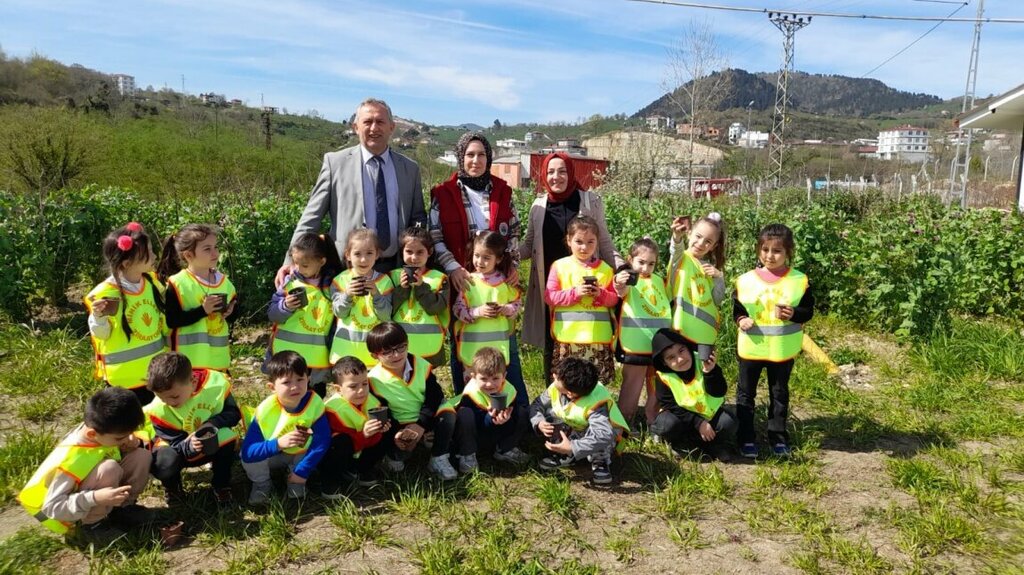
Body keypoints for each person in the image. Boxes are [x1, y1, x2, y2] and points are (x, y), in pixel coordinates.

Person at [276, 98, 425, 285]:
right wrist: (291, 261)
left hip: (396, 271)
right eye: (367, 122)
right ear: (356, 127)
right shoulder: (335, 163)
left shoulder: (410, 168)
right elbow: (311, 217)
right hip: (346, 271)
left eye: (380, 122)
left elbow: (418, 218)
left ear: (391, 127)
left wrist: (418, 259)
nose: (374, 128)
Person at [429, 132, 525, 393]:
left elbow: (514, 231)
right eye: (469, 155)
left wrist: (512, 265)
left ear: (489, 158)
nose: (476, 160)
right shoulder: (443, 193)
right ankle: (467, 401)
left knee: (505, 344)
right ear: (460, 158)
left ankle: (512, 403)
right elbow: (435, 236)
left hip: (496, 280)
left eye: (481, 154)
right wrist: (453, 267)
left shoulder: (502, 191)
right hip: (463, 281)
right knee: (463, 341)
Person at [520, 152, 624, 382]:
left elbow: (604, 243)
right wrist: (502, 257)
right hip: (553, 284)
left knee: (585, 342)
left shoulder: (590, 201)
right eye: (550, 172)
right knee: (553, 343)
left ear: (571, 173)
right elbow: (528, 245)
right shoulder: (538, 206)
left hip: (586, 284)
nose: (556, 176)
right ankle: (553, 395)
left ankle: (588, 395)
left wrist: (624, 266)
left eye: (562, 171)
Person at [18, 387, 153, 547]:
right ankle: (93, 526)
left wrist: (129, 441)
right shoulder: (70, 460)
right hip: (69, 514)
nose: (126, 439)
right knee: (109, 469)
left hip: (95, 490)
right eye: (120, 438)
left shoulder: (102, 429)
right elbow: (52, 508)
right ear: (91, 434)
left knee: (141, 456)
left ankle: (123, 509)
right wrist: (95, 498)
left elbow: (112, 446)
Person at [734, 224, 815, 459]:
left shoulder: (799, 280)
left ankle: (778, 437)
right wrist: (741, 320)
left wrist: (795, 313)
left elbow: (808, 311)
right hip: (751, 349)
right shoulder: (746, 281)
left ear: (788, 252)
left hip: (781, 350)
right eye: (765, 249)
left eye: (777, 251)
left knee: (779, 394)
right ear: (758, 250)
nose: (770, 255)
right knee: (745, 394)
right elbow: (737, 309)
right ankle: (746, 438)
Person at [85, 222, 167, 405]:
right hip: (124, 380)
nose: (154, 256)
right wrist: (98, 317)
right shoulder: (106, 293)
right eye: (148, 252)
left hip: (156, 374)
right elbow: (101, 334)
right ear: (127, 263)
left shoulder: (153, 284)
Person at [144, 351, 241, 505]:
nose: (169, 403)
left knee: (227, 439)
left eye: (174, 397)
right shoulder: (157, 409)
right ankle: (173, 488)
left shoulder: (215, 384)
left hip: (210, 440)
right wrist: (189, 446)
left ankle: (221, 485)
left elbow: (233, 413)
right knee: (164, 463)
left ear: (193, 381)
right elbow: (173, 442)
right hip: (178, 447)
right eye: (161, 398)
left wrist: (212, 424)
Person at [240, 351, 330, 504]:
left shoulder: (314, 403)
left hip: (298, 454)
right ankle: (262, 483)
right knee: (246, 458)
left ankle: (295, 478)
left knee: (313, 446)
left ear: (308, 380)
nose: (295, 386)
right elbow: (248, 453)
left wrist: (302, 471)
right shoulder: (265, 411)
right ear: (272, 387)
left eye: (300, 379)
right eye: (286, 382)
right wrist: (278, 444)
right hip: (271, 456)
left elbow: (322, 440)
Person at [364, 322, 448, 479]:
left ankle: (439, 456)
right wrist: (397, 434)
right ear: (375, 355)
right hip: (399, 426)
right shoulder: (373, 380)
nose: (396, 355)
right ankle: (394, 455)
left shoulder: (421, 365)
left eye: (401, 347)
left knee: (447, 412)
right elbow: (384, 413)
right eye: (387, 352)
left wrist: (422, 425)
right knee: (400, 457)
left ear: (407, 343)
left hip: (424, 419)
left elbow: (435, 396)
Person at [530, 358, 629, 485]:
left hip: (606, 435)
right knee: (551, 414)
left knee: (597, 433)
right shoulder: (557, 388)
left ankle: (600, 461)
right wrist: (539, 422)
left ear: (570, 394)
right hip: (577, 427)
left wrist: (573, 447)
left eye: (557, 378)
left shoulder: (595, 403)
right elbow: (537, 404)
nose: (554, 376)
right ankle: (566, 454)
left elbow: (604, 434)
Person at [544, 215, 619, 383]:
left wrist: (600, 294)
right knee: (567, 383)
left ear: (597, 242)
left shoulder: (606, 269)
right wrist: (575, 293)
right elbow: (550, 297)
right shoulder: (559, 266)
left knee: (596, 384)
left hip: (597, 340)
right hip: (568, 339)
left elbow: (614, 300)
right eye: (579, 242)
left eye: (590, 242)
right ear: (569, 240)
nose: (584, 247)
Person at [434, 347, 530, 475]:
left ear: (504, 376)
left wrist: (506, 418)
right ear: (473, 377)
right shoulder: (470, 395)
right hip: (476, 435)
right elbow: (477, 424)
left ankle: (505, 448)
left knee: (522, 412)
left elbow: (513, 415)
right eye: (484, 379)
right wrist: (491, 419)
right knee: (465, 414)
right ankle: (467, 455)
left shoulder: (509, 390)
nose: (489, 384)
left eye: (495, 378)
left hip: (497, 432)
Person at [267, 233, 343, 395]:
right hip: (287, 358)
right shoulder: (289, 282)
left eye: (305, 265)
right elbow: (272, 314)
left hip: (316, 363)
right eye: (295, 263)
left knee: (314, 399)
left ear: (322, 261)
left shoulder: (333, 286)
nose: (298, 268)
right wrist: (285, 306)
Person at [452, 231, 523, 401]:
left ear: (498, 259)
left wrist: (506, 309)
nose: (479, 261)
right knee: (473, 392)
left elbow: (517, 304)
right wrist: (477, 312)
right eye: (476, 256)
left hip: (498, 352)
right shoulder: (469, 281)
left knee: (496, 388)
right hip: (472, 352)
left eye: (486, 258)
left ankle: (497, 415)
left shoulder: (505, 282)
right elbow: (457, 309)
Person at [157, 224, 237, 373]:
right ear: (188, 255)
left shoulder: (223, 281)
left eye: (216, 247)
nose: (215, 252)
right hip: (187, 366)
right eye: (207, 249)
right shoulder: (178, 283)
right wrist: (202, 311)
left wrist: (231, 309)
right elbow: (172, 321)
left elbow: (235, 308)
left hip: (218, 362)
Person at [649, 328, 736, 459]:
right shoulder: (663, 377)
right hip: (681, 418)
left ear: (688, 348)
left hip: (707, 415)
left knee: (729, 422)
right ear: (664, 363)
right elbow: (670, 405)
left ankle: (711, 444)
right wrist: (698, 423)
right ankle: (677, 443)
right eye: (671, 357)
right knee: (668, 425)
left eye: (681, 351)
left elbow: (719, 392)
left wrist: (710, 372)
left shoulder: (703, 362)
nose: (680, 359)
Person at [613, 237, 671, 426]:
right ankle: (623, 425)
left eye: (651, 264)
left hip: (658, 345)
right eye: (641, 262)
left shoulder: (659, 281)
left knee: (657, 386)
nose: (645, 268)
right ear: (630, 259)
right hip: (635, 345)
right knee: (632, 386)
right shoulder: (629, 280)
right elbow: (620, 290)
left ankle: (653, 422)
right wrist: (619, 281)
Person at [320, 357, 391, 498]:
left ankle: (363, 470)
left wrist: (380, 430)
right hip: (337, 454)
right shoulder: (332, 410)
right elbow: (332, 444)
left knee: (387, 432)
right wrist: (364, 434)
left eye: (365, 384)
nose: (361, 390)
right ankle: (330, 482)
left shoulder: (373, 401)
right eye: (353, 387)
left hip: (360, 449)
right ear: (338, 389)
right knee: (339, 442)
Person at [329, 229, 394, 367]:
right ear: (348, 255)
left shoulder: (384, 281)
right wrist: (347, 294)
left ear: (377, 254)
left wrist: (376, 294)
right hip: (346, 351)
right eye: (357, 254)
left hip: (375, 351)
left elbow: (386, 316)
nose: (363, 259)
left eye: (369, 253)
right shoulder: (340, 280)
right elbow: (339, 313)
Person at [389, 225, 449, 367]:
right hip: (398, 347)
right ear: (402, 252)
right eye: (409, 252)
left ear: (430, 252)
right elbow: (387, 310)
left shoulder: (439, 278)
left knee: (430, 380)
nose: (414, 257)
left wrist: (421, 287)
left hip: (430, 347)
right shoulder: (392, 277)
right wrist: (402, 289)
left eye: (420, 252)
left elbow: (436, 308)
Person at [668, 213, 726, 356]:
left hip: (705, 335)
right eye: (698, 236)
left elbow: (717, 299)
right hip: (681, 332)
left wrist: (719, 277)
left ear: (713, 246)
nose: (700, 243)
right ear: (689, 234)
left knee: (704, 369)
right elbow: (676, 249)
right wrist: (677, 237)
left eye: (708, 241)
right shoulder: (680, 258)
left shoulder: (709, 269)